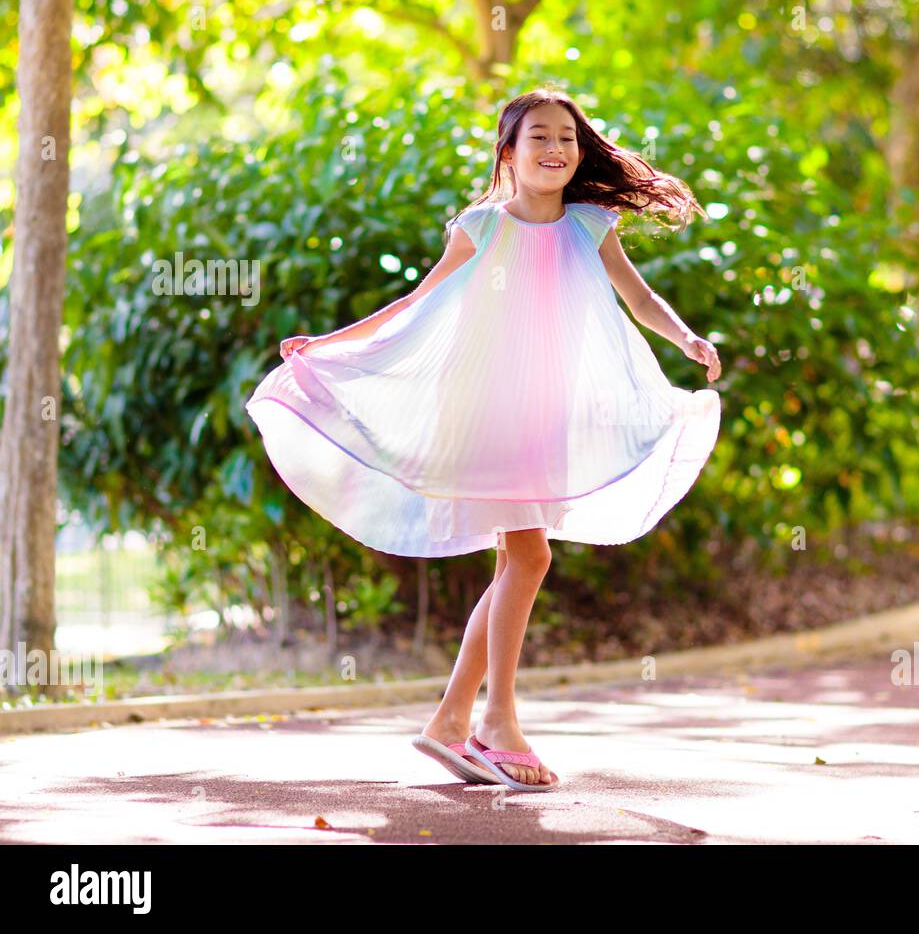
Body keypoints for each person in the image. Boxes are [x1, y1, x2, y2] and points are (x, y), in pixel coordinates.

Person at [245, 88, 722, 791]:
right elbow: (417, 304)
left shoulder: (592, 225)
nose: (555, 148)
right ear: (509, 153)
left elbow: (639, 297)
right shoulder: (481, 228)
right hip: (483, 413)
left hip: (548, 416)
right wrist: (330, 345)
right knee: (529, 557)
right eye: (538, 137)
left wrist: (684, 335)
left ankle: (450, 720)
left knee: (518, 565)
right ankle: (496, 723)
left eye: (567, 137)